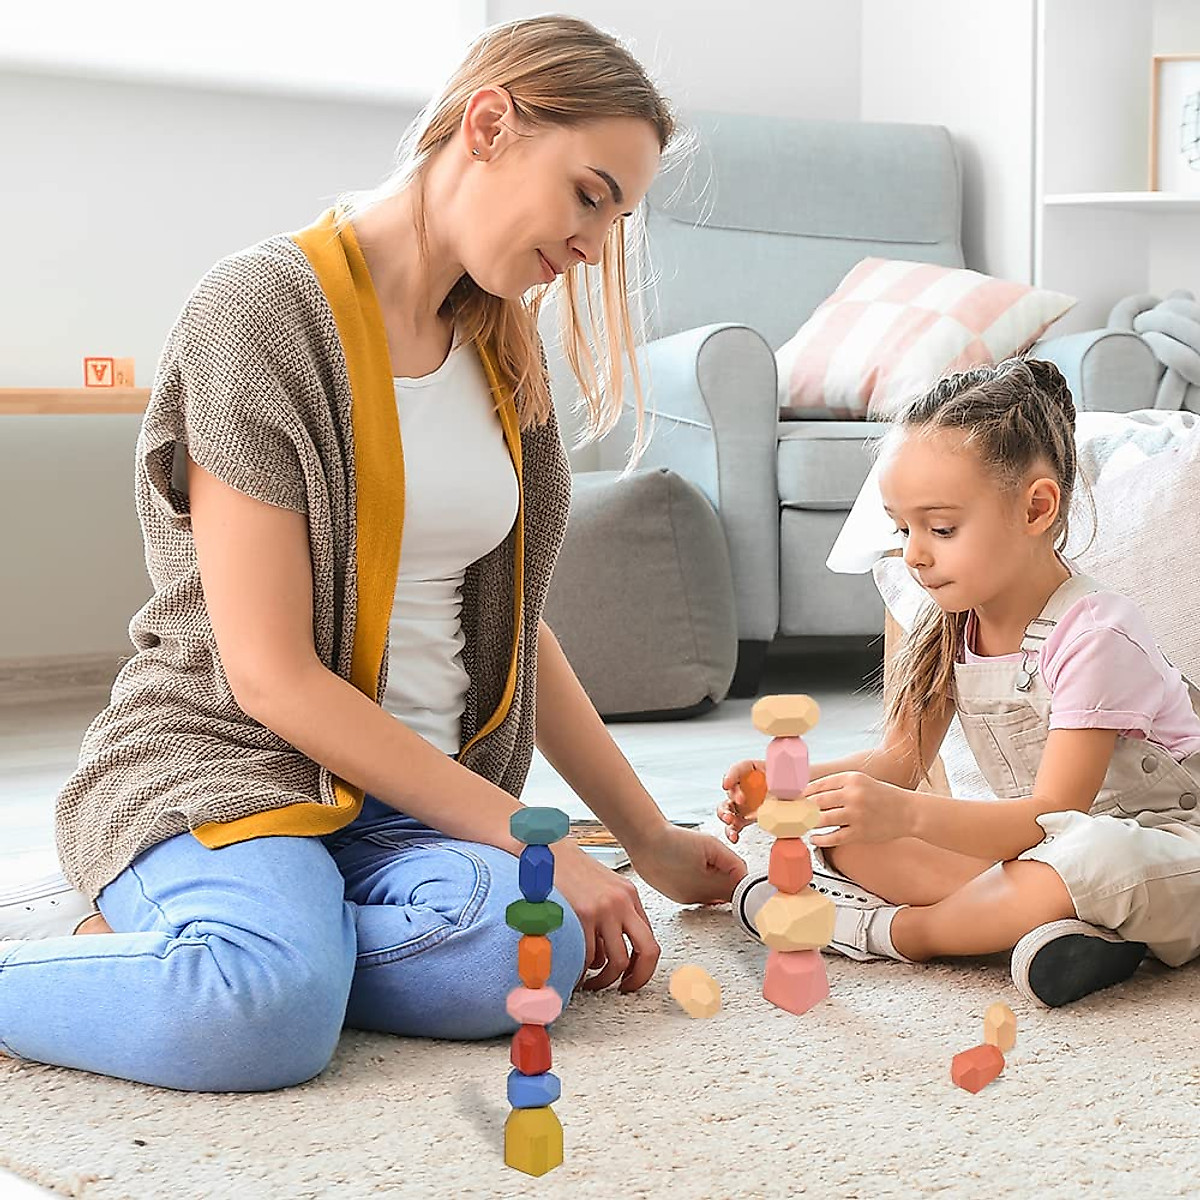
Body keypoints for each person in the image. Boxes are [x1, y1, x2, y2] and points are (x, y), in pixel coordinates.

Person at [0, 15, 746, 1091]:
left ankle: (243, 942)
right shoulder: (257, 316)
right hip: (235, 768)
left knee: (531, 947)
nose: (595, 246)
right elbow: (270, 676)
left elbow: (511, 632)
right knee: (264, 1022)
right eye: (590, 194)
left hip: (409, 809)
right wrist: (537, 844)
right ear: (489, 123)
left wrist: (649, 838)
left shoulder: (501, 345)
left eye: (617, 216)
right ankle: (232, 952)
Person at [720, 358, 1200, 1008]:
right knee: (843, 833)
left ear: (1036, 508)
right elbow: (897, 760)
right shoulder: (951, 626)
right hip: (1035, 852)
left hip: (1155, 847)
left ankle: (896, 932)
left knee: (1086, 862)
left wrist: (910, 812)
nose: (915, 553)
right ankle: (1062, 936)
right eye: (903, 529)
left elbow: (1052, 817)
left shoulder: (1094, 634)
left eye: (941, 528)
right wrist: (791, 789)